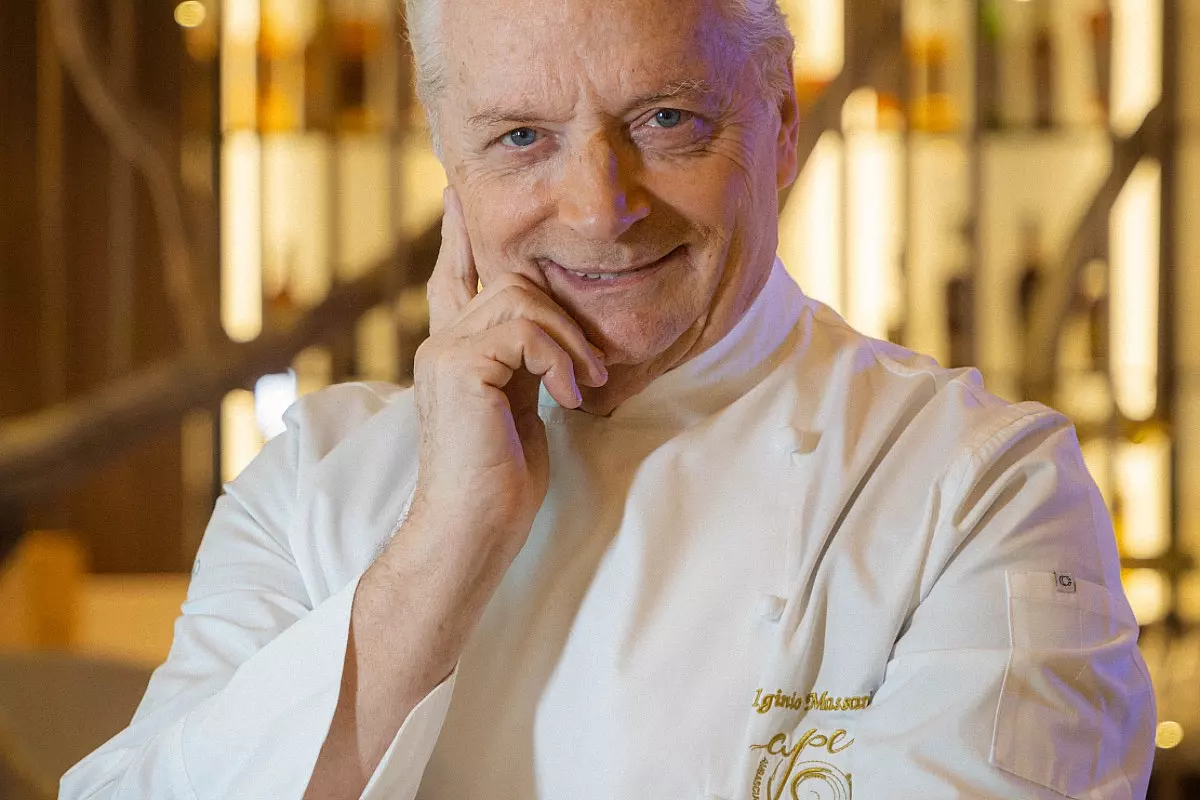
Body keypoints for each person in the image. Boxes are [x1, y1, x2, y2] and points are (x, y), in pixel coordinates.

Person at [62, 0, 1155, 796]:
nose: (599, 208)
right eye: (522, 139)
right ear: (451, 163)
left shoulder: (982, 491)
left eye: (666, 119)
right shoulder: (315, 480)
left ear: (780, 122)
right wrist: (445, 542)